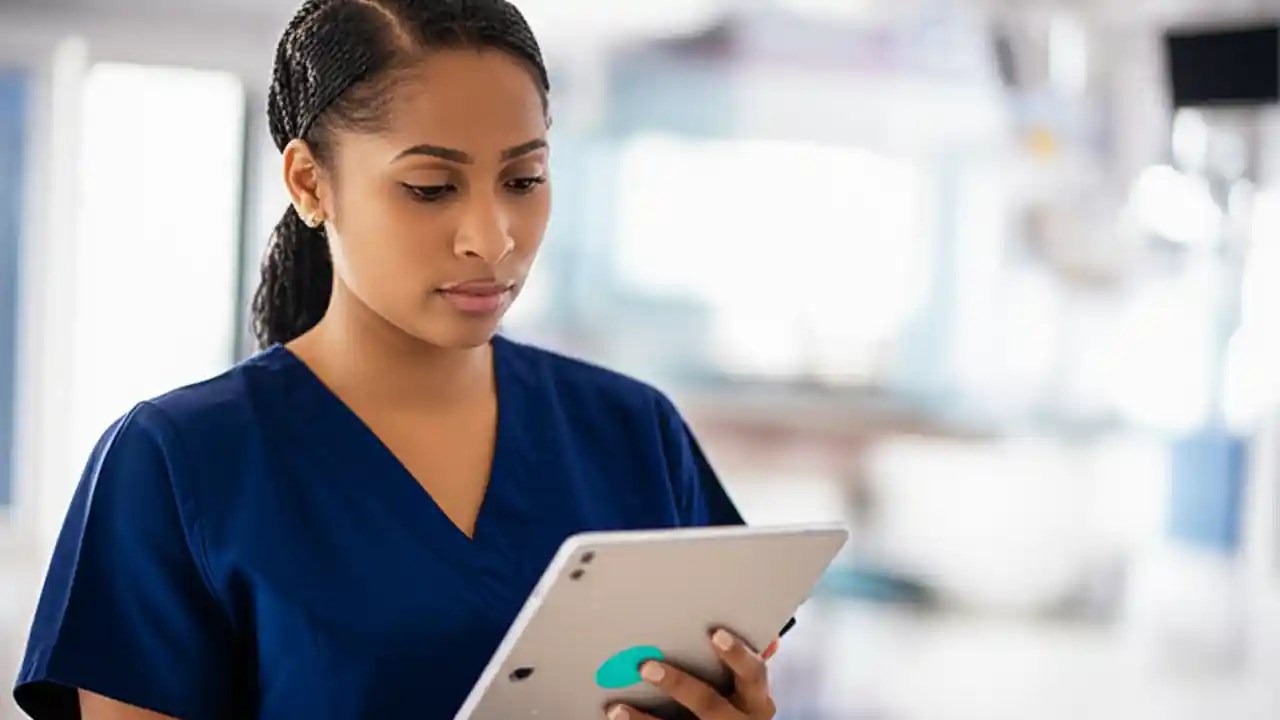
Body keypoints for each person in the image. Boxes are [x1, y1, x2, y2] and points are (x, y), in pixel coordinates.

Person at [12, 1, 782, 718]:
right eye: (429, 187)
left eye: (524, 180)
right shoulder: (175, 462)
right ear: (311, 183)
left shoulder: (633, 431)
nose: (493, 237)